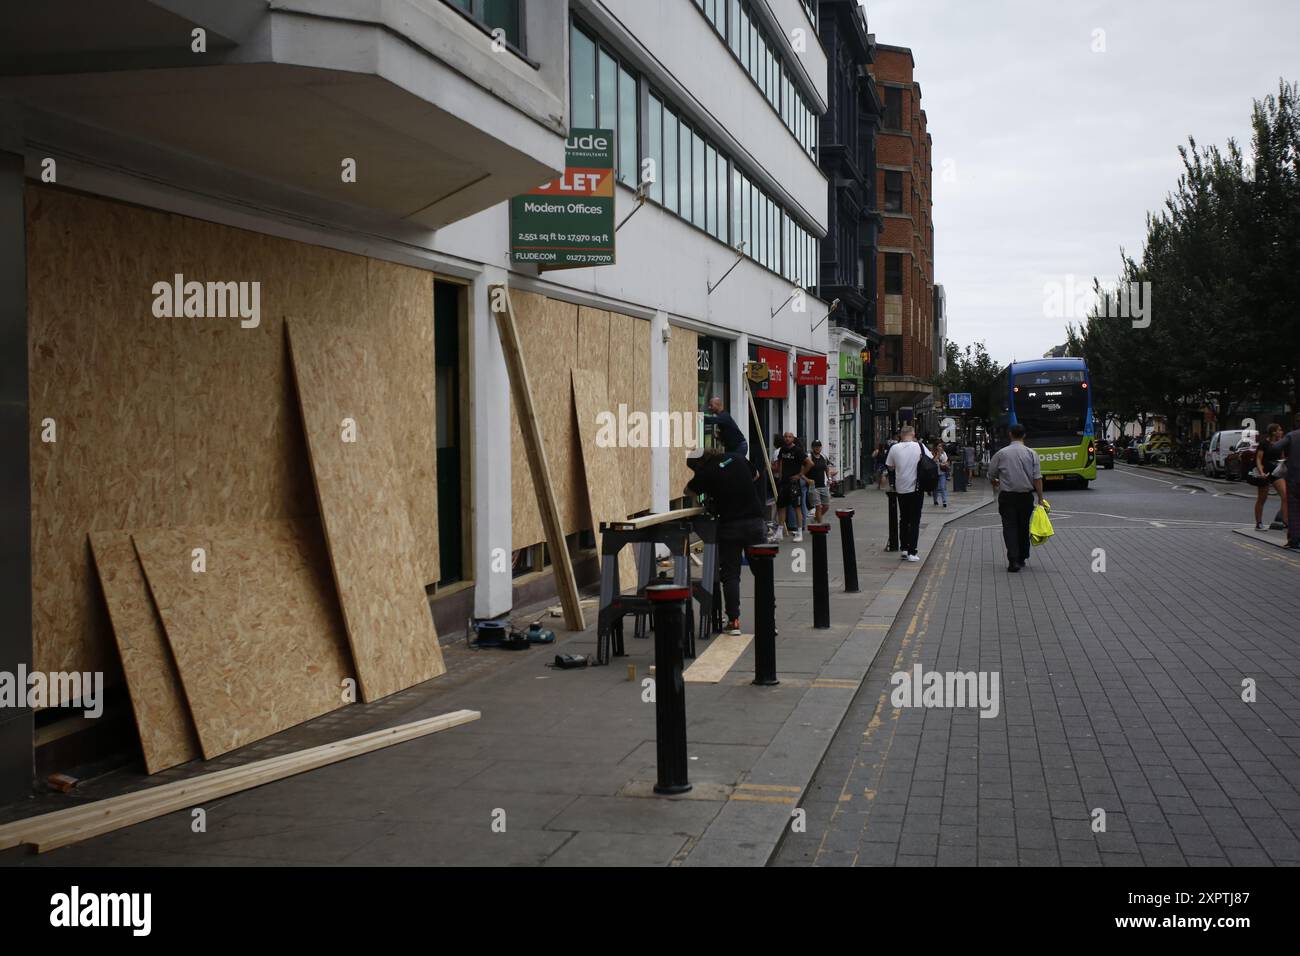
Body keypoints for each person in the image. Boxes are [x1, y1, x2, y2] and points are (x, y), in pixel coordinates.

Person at [685, 448, 765, 635]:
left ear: (697, 464)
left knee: (730, 575)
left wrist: (712, 493)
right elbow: (756, 475)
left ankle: (734, 621)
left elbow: (688, 490)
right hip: (755, 522)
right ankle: (769, 620)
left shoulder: (705, 473)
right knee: (762, 573)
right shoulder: (737, 458)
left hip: (729, 526)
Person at [988, 423, 1046, 572]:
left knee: (1009, 527)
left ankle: (1013, 560)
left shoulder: (1001, 454)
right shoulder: (1032, 453)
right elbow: (1037, 478)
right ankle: (1022, 557)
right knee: (1023, 526)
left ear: (1010, 434)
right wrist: (1040, 498)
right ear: (1024, 435)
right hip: (1026, 497)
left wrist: (995, 482)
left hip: (1007, 496)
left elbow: (991, 474)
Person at [885, 426, 932, 562]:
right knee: (915, 520)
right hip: (916, 489)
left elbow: (890, 466)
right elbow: (930, 461)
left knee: (903, 519)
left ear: (901, 435)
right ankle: (912, 551)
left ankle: (904, 548)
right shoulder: (920, 446)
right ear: (913, 434)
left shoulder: (894, 448)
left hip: (901, 489)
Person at [1268, 414, 1300, 549]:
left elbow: (1275, 448)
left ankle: (1294, 540)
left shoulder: (1292, 436)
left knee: (1294, 509)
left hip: (1294, 478)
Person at [772, 432, 811, 542]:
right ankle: (779, 531)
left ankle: (799, 532)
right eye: (785, 437)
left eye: (789, 437)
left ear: (793, 438)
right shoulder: (782, 450)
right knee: (781, 506)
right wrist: (780, 477)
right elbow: (780, 462)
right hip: (784, 482)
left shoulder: (798, 451)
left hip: (794, 483)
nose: (787, 439)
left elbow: (809, 463)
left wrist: (800, 475)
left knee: (797, 507)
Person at [1251, 423, 1288, 531]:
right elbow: (1258, 459)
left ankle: (1285, 521)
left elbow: (1281, 457)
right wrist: (1261, 472)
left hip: (1276, 473)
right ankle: (1259, 523)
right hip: (1265, 473)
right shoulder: (1264, 443)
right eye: (1279, 430)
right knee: (1262, 499)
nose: (1281, 432)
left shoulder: (1280, 443)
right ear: (1273, 432)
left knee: (1285, 496)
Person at [806, 439, 836, 522]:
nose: (817, 448)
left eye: (819, 446)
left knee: (826, 506)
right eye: (815, 446)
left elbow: (826, 469)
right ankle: (819, 527)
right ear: (812, 447)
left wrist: (829, 478)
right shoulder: (809, 456)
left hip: (822, 485)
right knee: (818, 506)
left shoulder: (823, 456)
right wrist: (807, 479)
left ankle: (815, 519)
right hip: (813, 486)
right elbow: (804, 469)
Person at [931, 440, 950, 508]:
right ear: (936, 447)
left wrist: (945, 464)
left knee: (943, 487)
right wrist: (938, 455)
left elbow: (946, 461)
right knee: (935, 488)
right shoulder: (933, 453)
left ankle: (944, 501)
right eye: (939, 446)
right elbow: (932, 462)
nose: (940, 447)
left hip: (942, 472)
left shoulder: (944, 453)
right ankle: (935, 500)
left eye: (941, 446)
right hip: (935, 473)